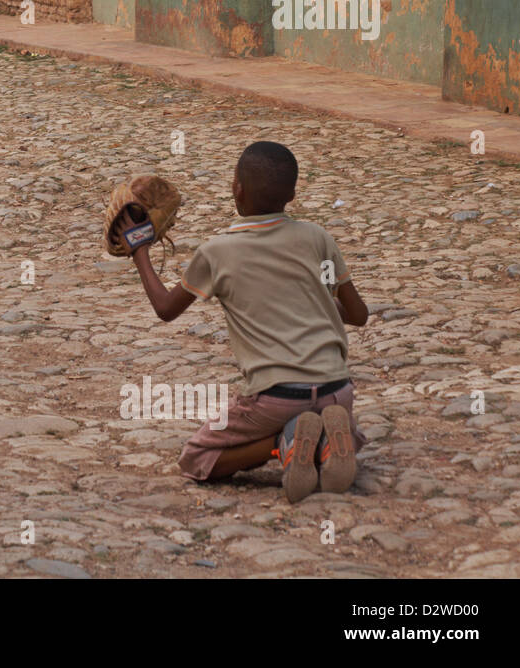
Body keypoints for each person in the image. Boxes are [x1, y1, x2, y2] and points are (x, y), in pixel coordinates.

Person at [115, 141, 370, 503]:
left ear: (236, 188)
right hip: (337, 391)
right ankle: (326, 442)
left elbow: (165, 308)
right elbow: (358, 316)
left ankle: (284, 442)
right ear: (293, 194)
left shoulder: (218, 253)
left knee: (198, 458)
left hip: (276, 398)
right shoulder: (318, 238)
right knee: (339, 423)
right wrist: (317, 304)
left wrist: (139, 250)